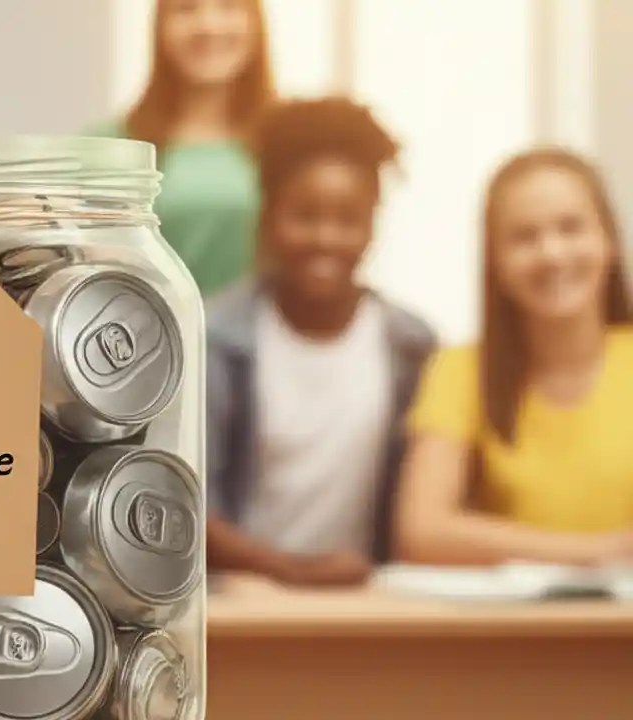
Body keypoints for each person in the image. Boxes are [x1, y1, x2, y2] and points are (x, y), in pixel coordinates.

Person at [206, 98, 436, 586]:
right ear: (269, 216)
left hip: (369, 608)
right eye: (305, 216)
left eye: (348, 218)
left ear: (373, 222)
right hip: (244, 603)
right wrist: (294, 572)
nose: (326, 238)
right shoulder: (215, 339)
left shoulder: (412, 345)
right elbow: (185, 506)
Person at [397, 149, 633, 566]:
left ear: (609, 240)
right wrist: (604, 552)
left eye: (571, 228)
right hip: (516, 625)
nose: (552, 254)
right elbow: (422, 530)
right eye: (525, 237)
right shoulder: (459, 370)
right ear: (496, 263)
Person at [93, 0, 273, 297]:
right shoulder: (112, 147)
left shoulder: (288, 143)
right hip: (147, 336)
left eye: (228, 6)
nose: (208, 26)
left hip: (258, 342)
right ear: (160, 26)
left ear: (255, 21)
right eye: (186, 8)